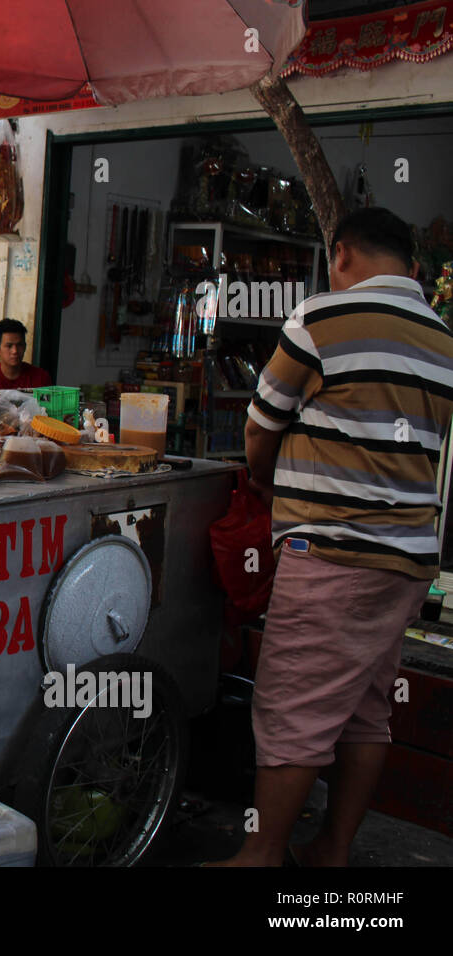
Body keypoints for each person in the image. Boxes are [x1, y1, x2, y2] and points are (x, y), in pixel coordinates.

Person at [211, 207, 453, 867]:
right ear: (409, 266)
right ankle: (333, 850)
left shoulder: (322, 318)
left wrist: (264, 482)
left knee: (295, 703)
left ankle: (260, 856)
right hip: (406, 559)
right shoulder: (441, 339)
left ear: (342, 254)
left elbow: (260, 426)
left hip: (332, 550)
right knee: (367, 708)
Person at [0, 318, 51, 390]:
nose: (15, 351)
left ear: (25, 347)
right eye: (9, 346)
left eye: (19, 345)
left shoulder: (41, 378)